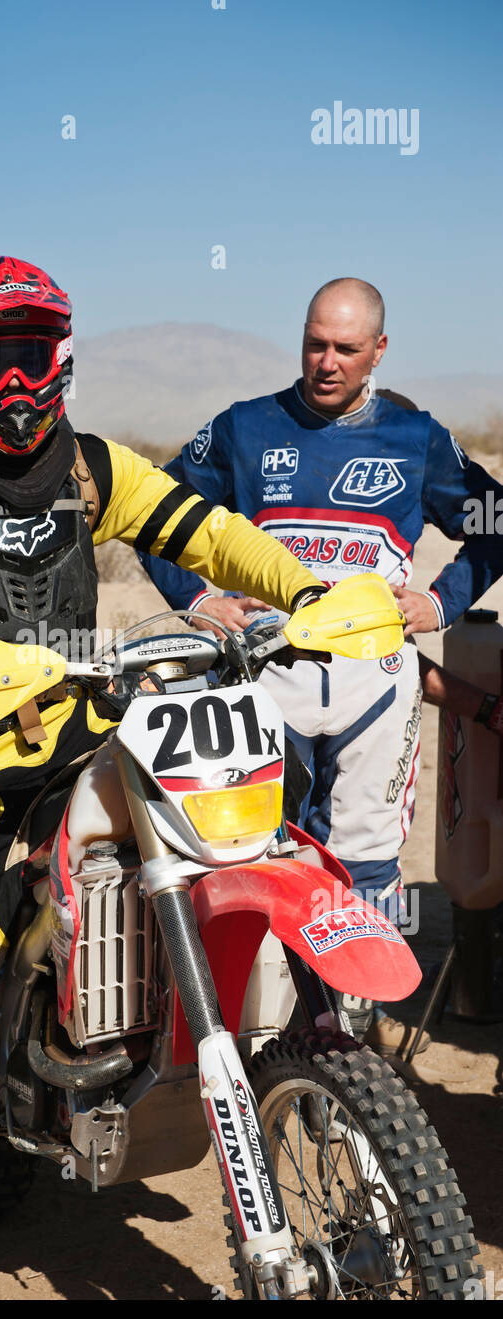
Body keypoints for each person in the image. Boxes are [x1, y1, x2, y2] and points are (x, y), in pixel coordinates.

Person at [0, 255, 325, 1300]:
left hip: (89, 728)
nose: (14, 385)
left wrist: (307, 590)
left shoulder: (90, 465)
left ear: (61, 357)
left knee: (204, 846)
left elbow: (207, 530)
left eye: (31, 356)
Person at [141, 277, 503, 1053]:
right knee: (248, 854)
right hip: (262, 681)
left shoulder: (416, 436)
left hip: (374, 687)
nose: (325, 362)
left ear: (378, 350)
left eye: (345, 348)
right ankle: (250, 1033)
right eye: (314, 343)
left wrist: (439, 603)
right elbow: (152, 509)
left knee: (365, 862)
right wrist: (197, 598)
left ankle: (348, 1037)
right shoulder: (243, 428)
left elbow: (495, 522)